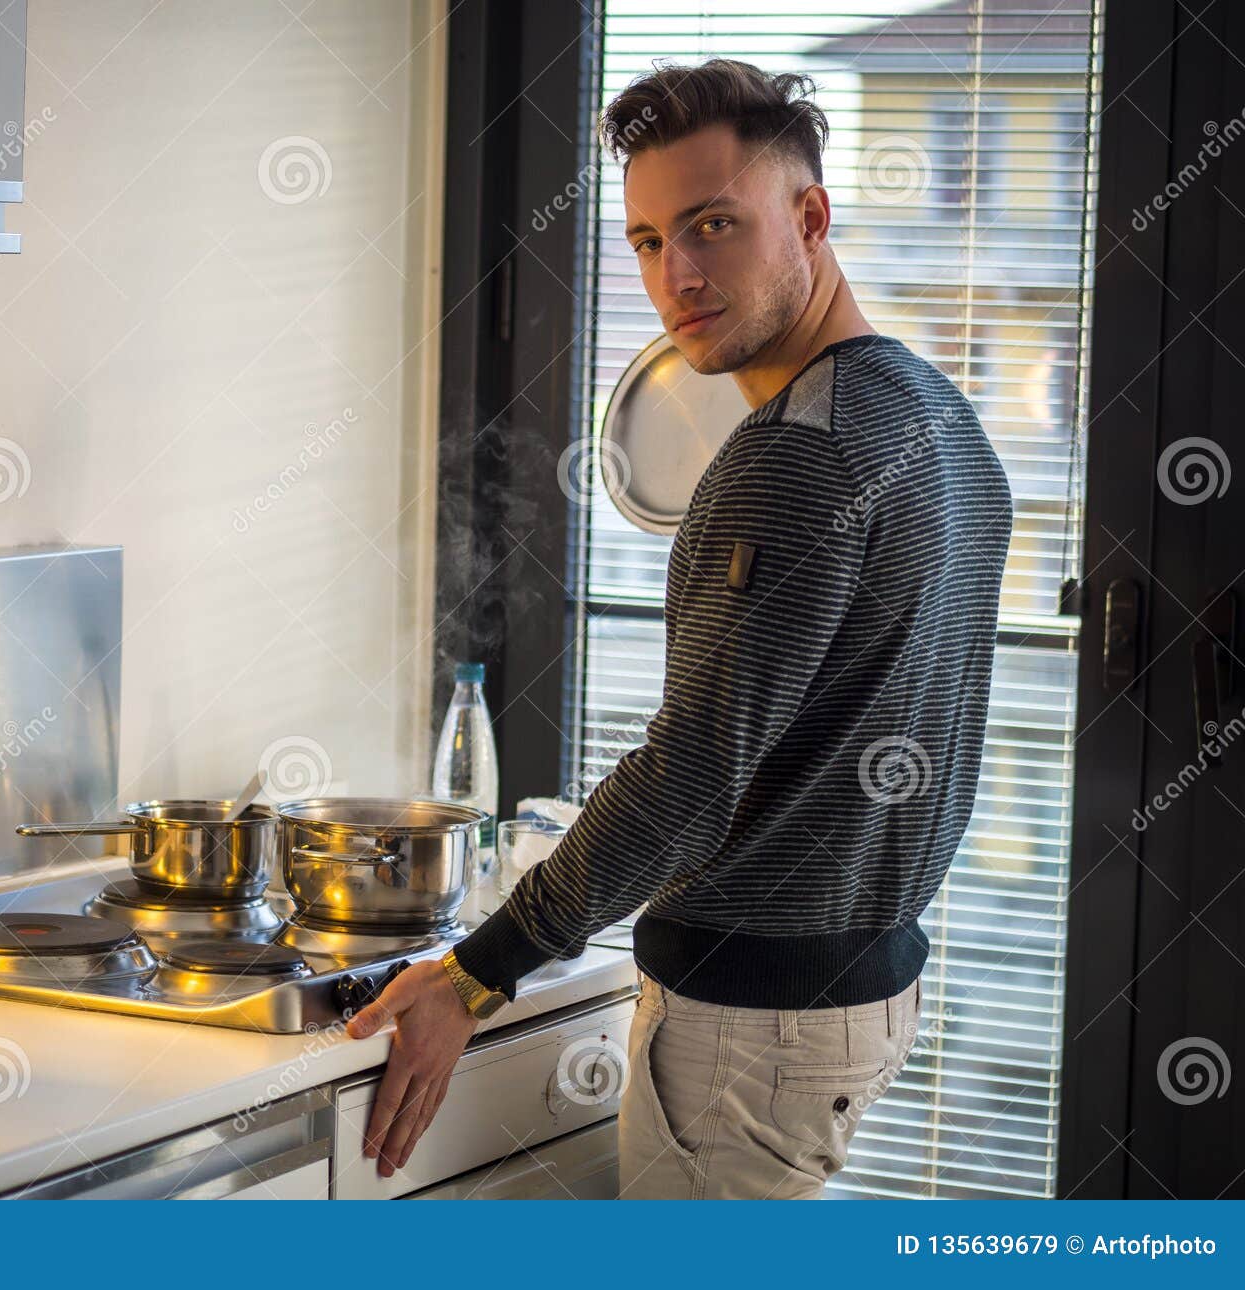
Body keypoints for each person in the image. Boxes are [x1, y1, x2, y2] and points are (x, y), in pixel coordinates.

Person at [346, 57, 1012, 1200]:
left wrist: (475, 972)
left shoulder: (791, 455)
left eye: (712, 226)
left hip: (750, 1023)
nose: (677, 276)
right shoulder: (939, 418)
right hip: (857, 989)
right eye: (649, 240)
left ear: (810, 219)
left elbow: (693, 769)